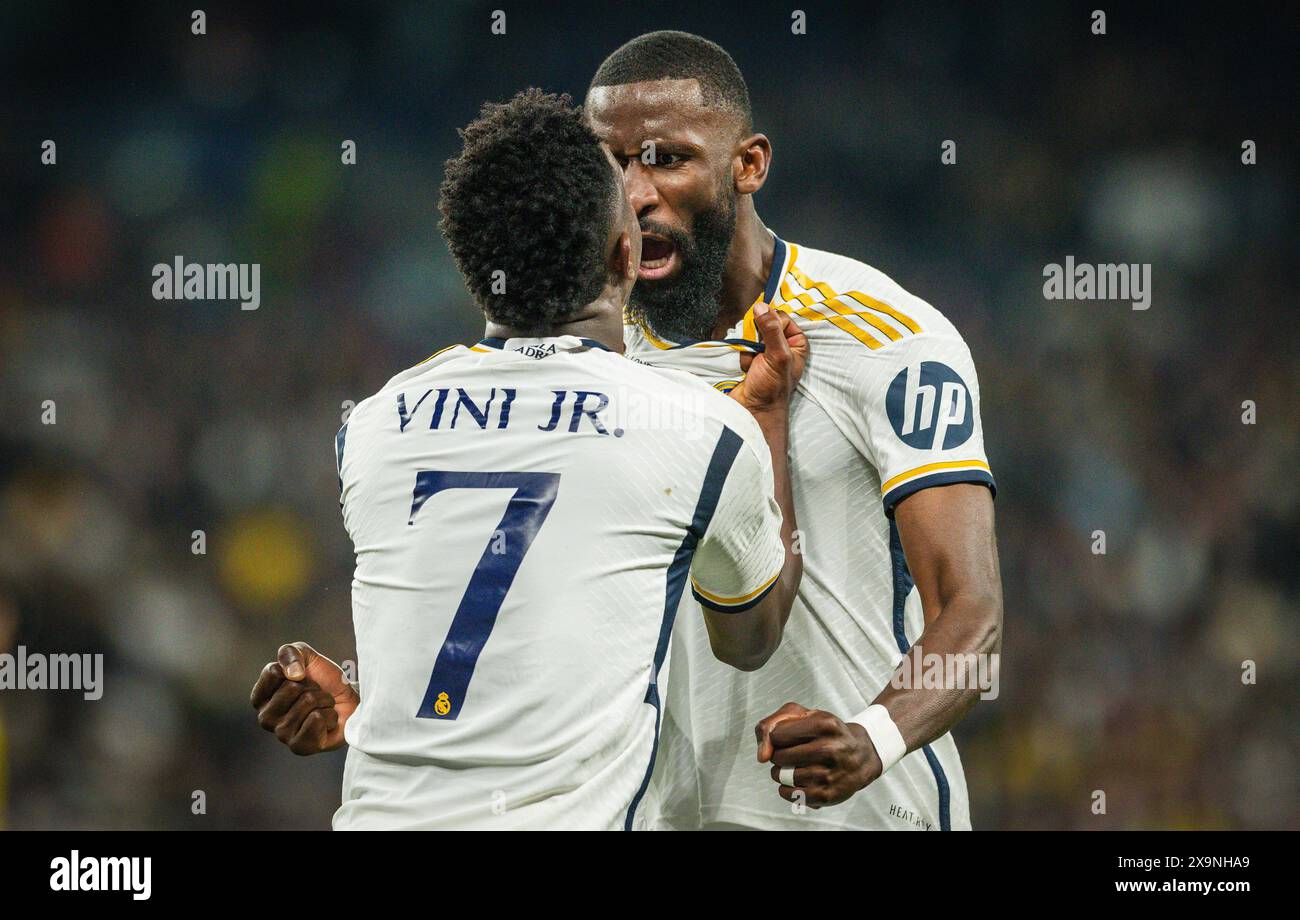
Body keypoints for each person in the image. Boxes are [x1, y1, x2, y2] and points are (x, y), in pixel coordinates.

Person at [249, 88, 806, 830]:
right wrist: (766, 414)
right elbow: (749, 637)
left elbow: (471, 637)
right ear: (625, 254)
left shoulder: (377, 423)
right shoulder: (700, 428)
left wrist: (356, 704)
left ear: (472, 263)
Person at [585, 31, 1003, 830]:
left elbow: (972, 613)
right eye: (609, 165)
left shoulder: (886, 336)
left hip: (860, 812)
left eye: (665, 158)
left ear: (748, 165)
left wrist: (873, 736)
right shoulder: (585, 354)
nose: (633, 195)